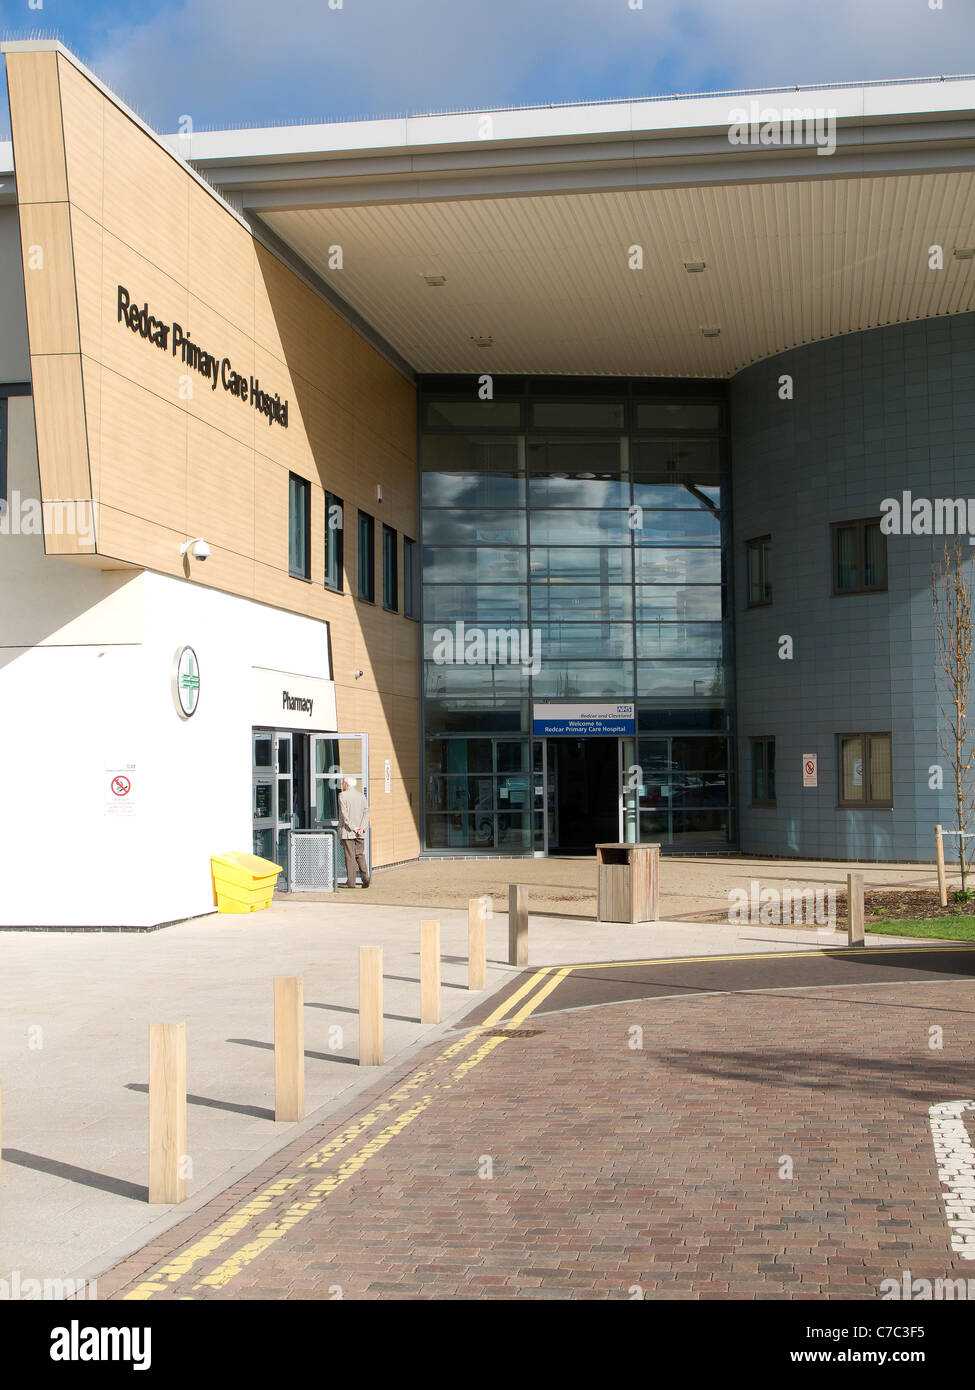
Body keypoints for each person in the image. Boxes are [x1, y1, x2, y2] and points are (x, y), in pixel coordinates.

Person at [337, 776, 370, 888]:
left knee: (350, 857)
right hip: (360, 832)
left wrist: (353, 827)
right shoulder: (361, 796)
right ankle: (365, 879)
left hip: (348, 832)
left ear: (346, 784)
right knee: (360, 855)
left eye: (343, 783)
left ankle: (351, 882)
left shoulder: (342, 796)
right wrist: (362, 827)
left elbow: (344, 815)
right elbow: (366, 813)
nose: (342, 785)